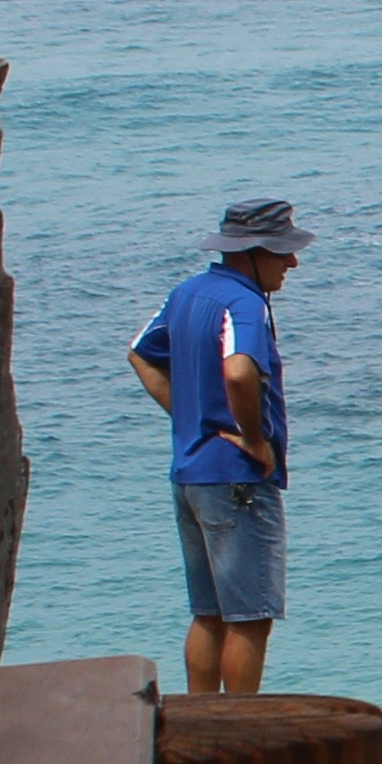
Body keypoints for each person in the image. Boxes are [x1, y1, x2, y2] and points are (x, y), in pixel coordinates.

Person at [126, 201, 311, 693]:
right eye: (282, 252)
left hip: (190, 475)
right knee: (250, 617)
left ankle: (200, 726)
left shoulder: (187, 293)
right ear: (252, 252)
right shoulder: (243, 302)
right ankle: (239, 733)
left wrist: (187, 415)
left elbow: (140, 354)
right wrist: (255, 439)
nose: (291, 263)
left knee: (208, 614)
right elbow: (239, 370)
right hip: (237, 480)